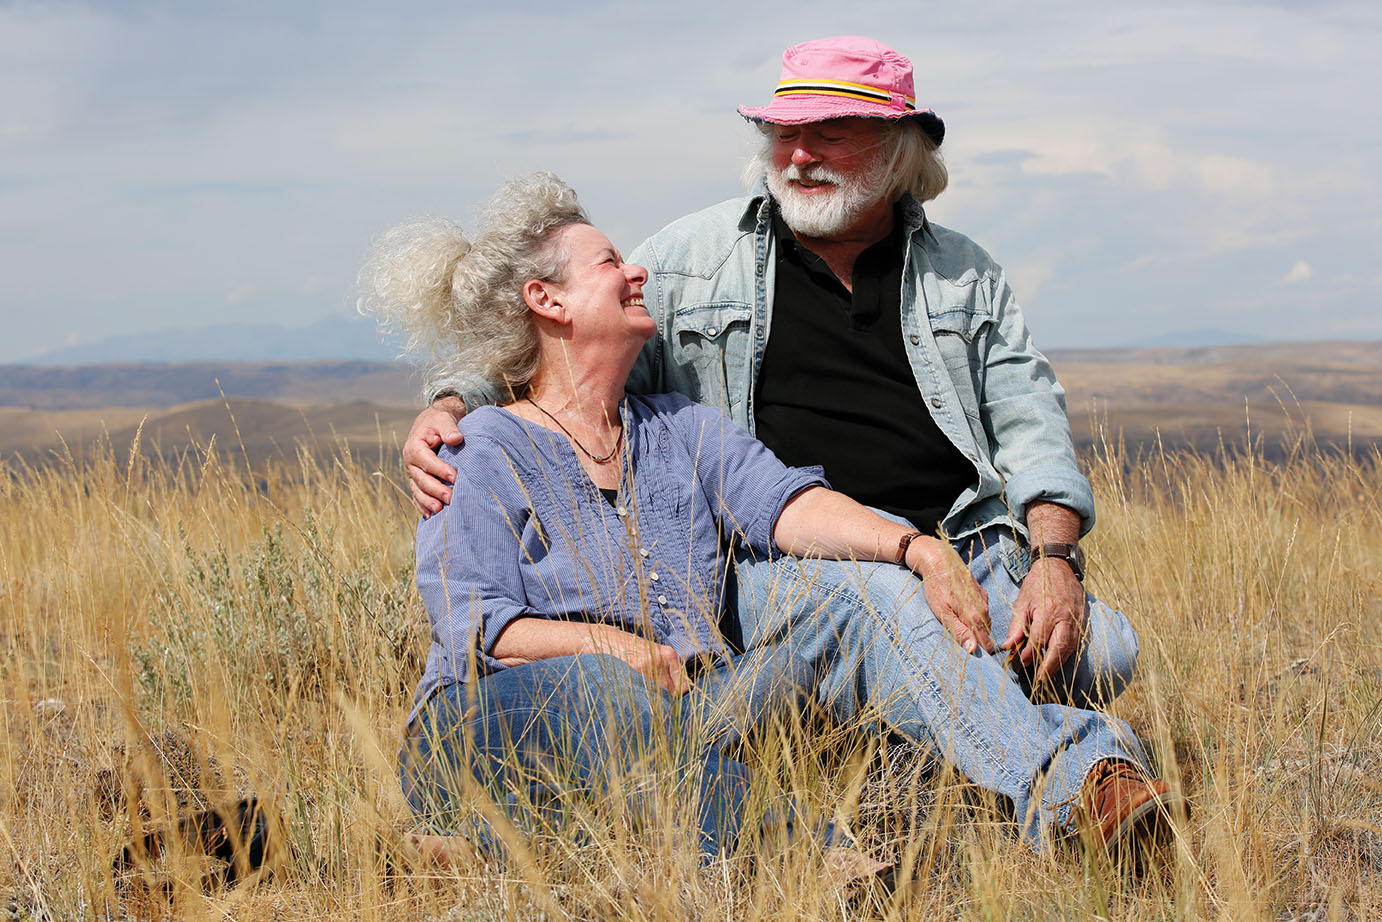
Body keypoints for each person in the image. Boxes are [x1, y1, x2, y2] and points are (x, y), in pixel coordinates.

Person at [397, 38, 1183, 854]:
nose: (798, 155)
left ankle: (946, 754)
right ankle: (982, 797)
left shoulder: (685, 428)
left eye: (829, 133)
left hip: (764, 653)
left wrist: (946, 551)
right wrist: (454, 405)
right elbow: (480, 607)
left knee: (1098, 650)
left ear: (895, 149)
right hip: (677, 635)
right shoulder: (676, 272)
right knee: (669, 692)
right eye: (783, 133)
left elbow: (801, 493)